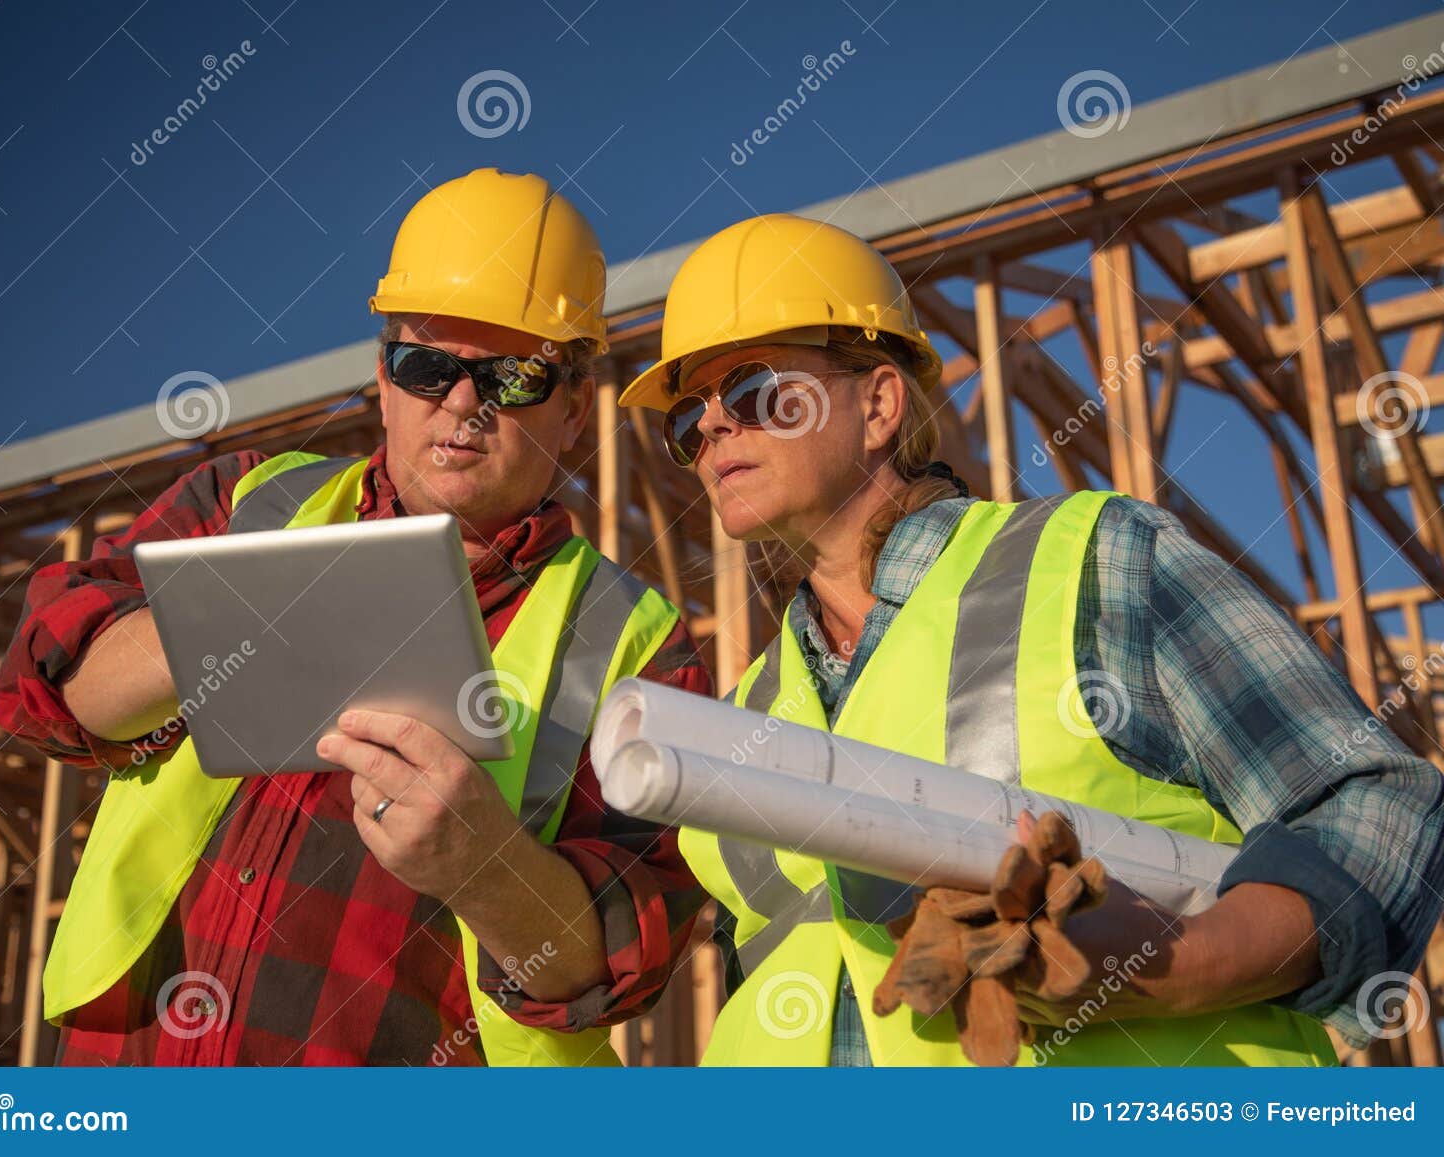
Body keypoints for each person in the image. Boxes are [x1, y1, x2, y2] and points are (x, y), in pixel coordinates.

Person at [616, 212, 1444, 1066]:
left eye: (752, 391)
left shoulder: (1093, 564)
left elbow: (1373, 805)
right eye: (690, 418)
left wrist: (1160, 965)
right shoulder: (745, 715)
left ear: (877, 403)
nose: (713, 427)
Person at [0, 168, 712, 1066]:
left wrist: (485, 865)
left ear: (572, 412)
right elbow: (46, 683)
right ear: (382, 378)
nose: (462, 403)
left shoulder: (631, 644)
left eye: (517, 377)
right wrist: (238, 619)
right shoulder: (246, 501)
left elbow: (629, 954)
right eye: (427, 366)